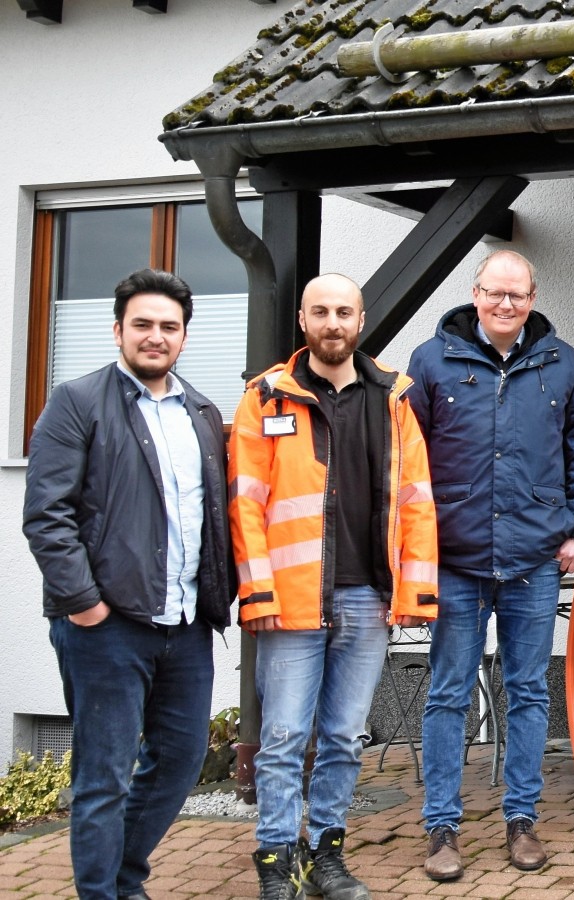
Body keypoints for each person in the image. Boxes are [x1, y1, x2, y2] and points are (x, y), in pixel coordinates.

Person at [23, 269, 233, 900]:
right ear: (118, 331)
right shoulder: (77, 401)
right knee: (104, 776)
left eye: (169, 327)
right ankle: (103, 892)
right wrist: (85, 605)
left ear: (185, 338)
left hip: (185, 624)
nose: (155, 336)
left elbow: (210, 517)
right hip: (107, 627)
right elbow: (46, 516)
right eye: (142, 324)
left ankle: (121, 876)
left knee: (179, 763)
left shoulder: (202, 411)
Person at [231, 274, 438, 900]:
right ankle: (275, 860)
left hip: (367, 598)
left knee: (346, 737)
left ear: (361, 319)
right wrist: (257, 592)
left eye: (343, 312)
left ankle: (327, 855)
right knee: (285, 738)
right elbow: (244, 503)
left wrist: (418, 592)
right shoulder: (267, 397)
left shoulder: (394, 398)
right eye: (320, 312)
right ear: (302, 319)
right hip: (291, 599)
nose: (332, 323)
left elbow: (418, 501)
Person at [406, 250, 574, 879]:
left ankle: (522, 821)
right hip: (456, 557)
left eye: (518, 296)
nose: (506, 305)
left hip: (533, 558)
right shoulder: (430, 361)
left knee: (525, 691)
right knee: (448, 693)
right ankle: (442, 828)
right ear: (476, 292)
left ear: (533, 298)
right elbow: (407, 461)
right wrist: (417, 544)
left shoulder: (563, 364)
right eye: (496, 293)